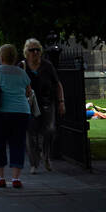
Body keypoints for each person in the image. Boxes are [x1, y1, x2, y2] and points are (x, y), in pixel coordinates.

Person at [0, 43, 34, 188]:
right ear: (15, 57)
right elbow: (28, 91)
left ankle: (0, 177)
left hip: (0, 113)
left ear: (1, 57)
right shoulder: (22, 73)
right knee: (17, 143)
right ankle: (15, 179)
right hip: (21, 112)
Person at [22, 38, 65, 174]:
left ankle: (46, 155)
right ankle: (34, 163)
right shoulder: (22, 66)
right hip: (28, 104)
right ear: (26, 52)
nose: (35, 52)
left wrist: (61, 102)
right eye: (32, 50)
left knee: (50, 130)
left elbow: (57, 84)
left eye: (37, 50)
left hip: (47, 102)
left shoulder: (47, 65)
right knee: (30, 134)